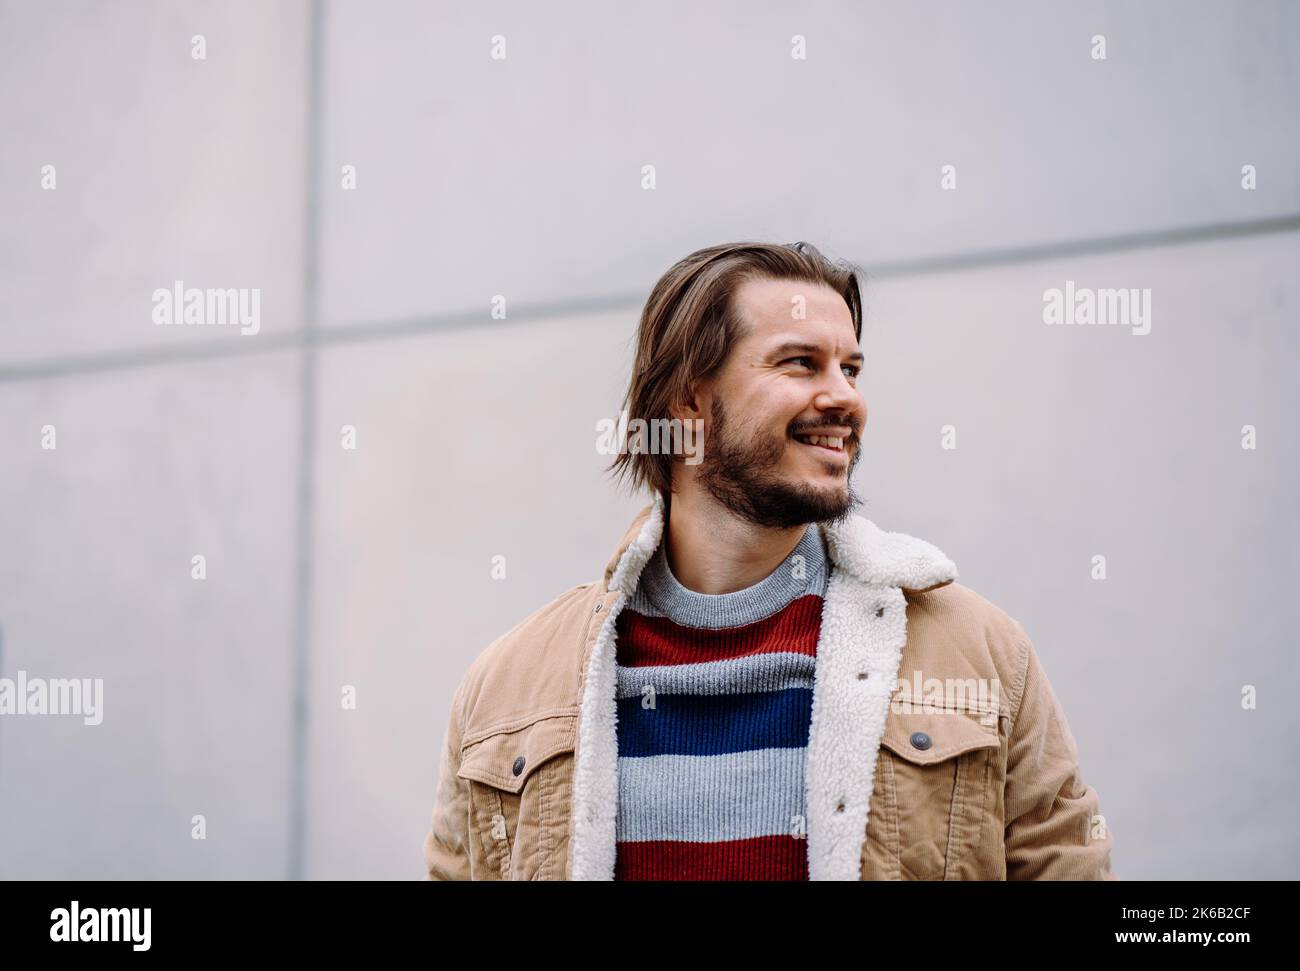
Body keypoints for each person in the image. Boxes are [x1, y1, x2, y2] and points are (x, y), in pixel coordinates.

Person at [423, 241, 1116, 880]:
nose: (845, 397)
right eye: (801, 363)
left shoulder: (980, 653)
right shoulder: (506, 691)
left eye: (850, 368)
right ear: (689, 401)